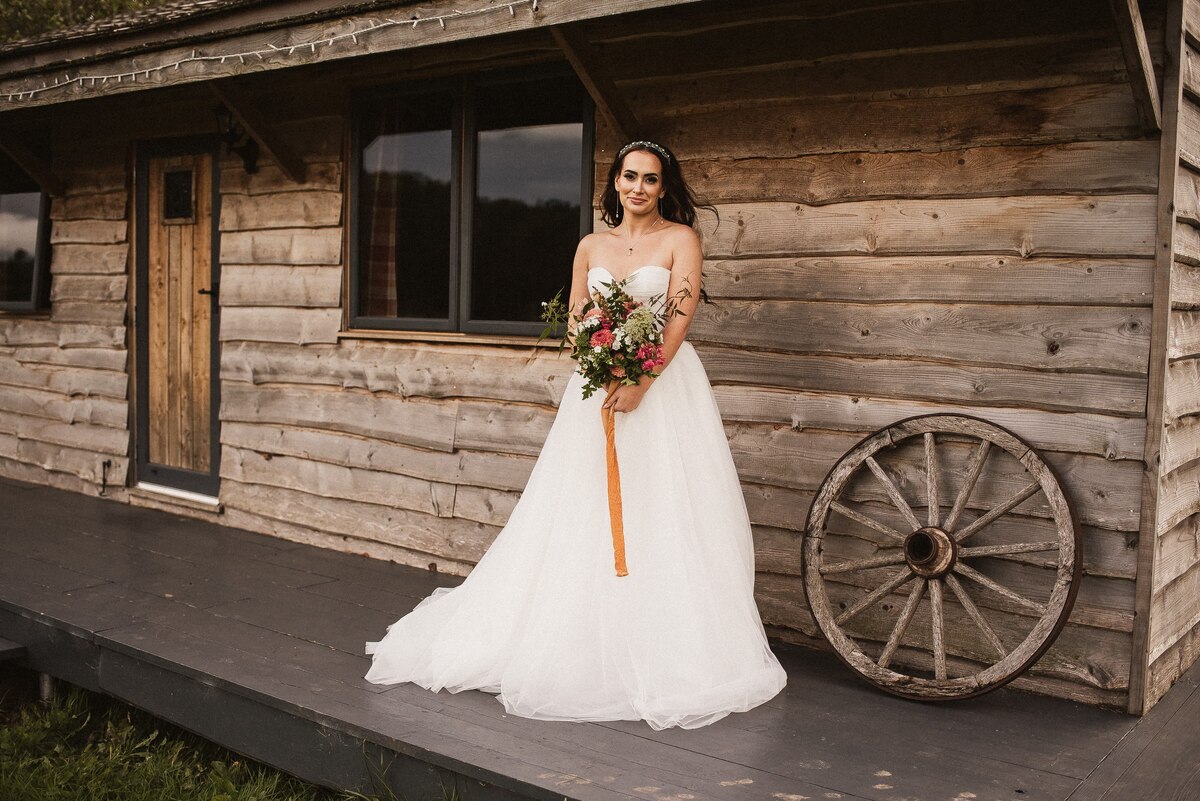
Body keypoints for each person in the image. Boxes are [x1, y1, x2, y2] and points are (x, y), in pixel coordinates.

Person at [364, 140, 787, 730]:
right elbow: (576, 316)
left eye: (650, 179)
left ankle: (668, 640)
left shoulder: (680, 240)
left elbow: (681, 313)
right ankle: (584, 630)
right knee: (584, 505)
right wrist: (597, 356)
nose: (638, 187)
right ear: (614, 182)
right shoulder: (591, 244)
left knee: (664, 502)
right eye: (629, 176)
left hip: (662, 386)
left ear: (664, 188)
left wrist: (642, 377)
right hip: (596, 387)